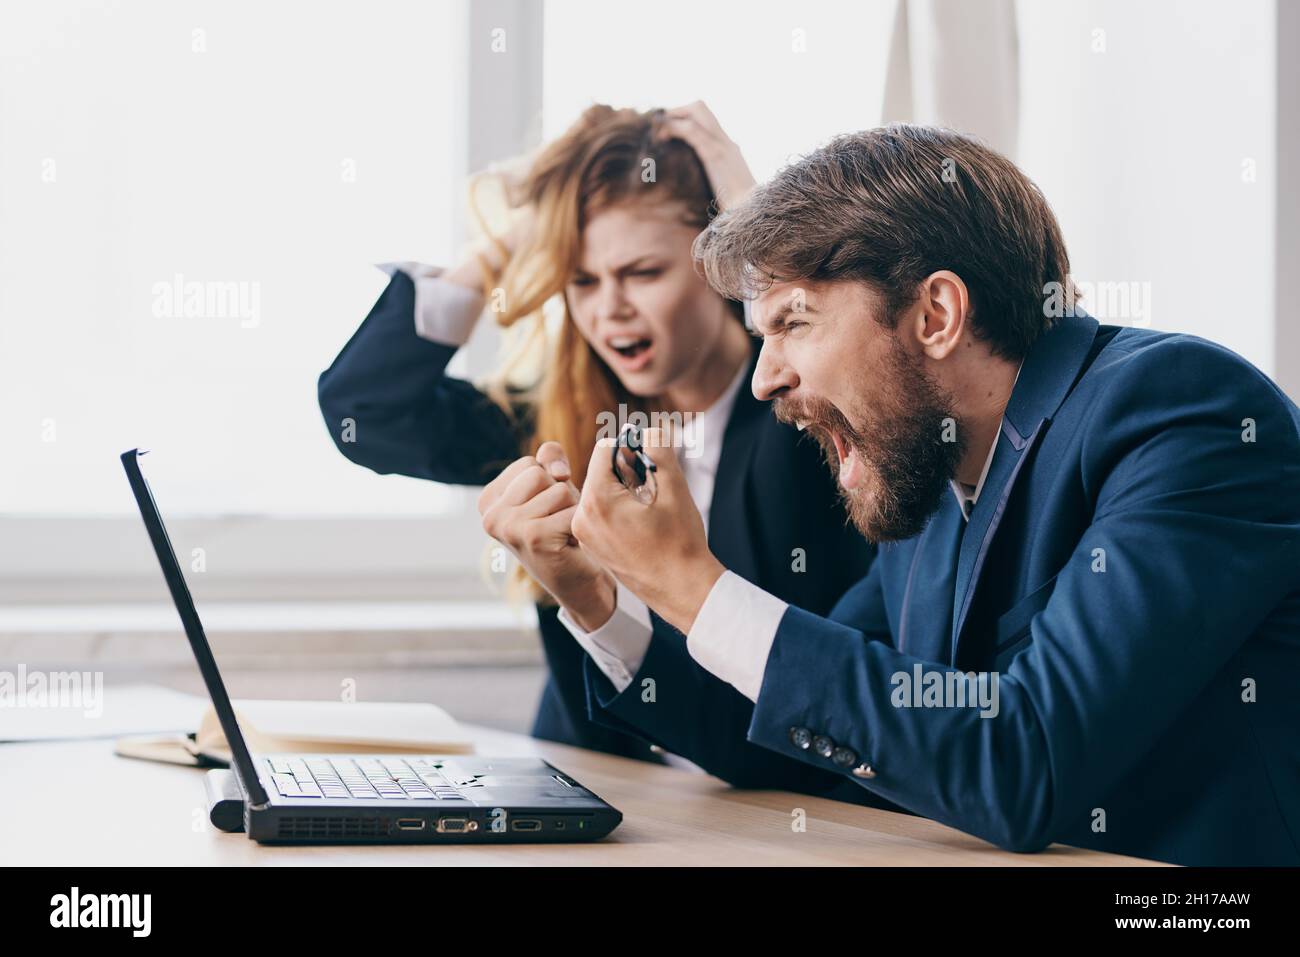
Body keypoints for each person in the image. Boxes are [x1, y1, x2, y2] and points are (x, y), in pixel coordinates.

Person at [503, 124, 1300, 866]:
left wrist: (692, 580)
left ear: (936, 315)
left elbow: (1025, 759)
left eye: (794, 322)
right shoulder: (931, 473)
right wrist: (599, 594)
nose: (765, 377)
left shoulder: (1184, 414)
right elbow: (782, 736)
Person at [317, 103, 874, 783]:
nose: (609, 307)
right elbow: (366, 410)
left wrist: (757, 222)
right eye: (581, 279)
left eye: (642, 272)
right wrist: (516, 239)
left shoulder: (810, 413)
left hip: (773, 804)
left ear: (719, 263)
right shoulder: (568, 419)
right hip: (604, 795)